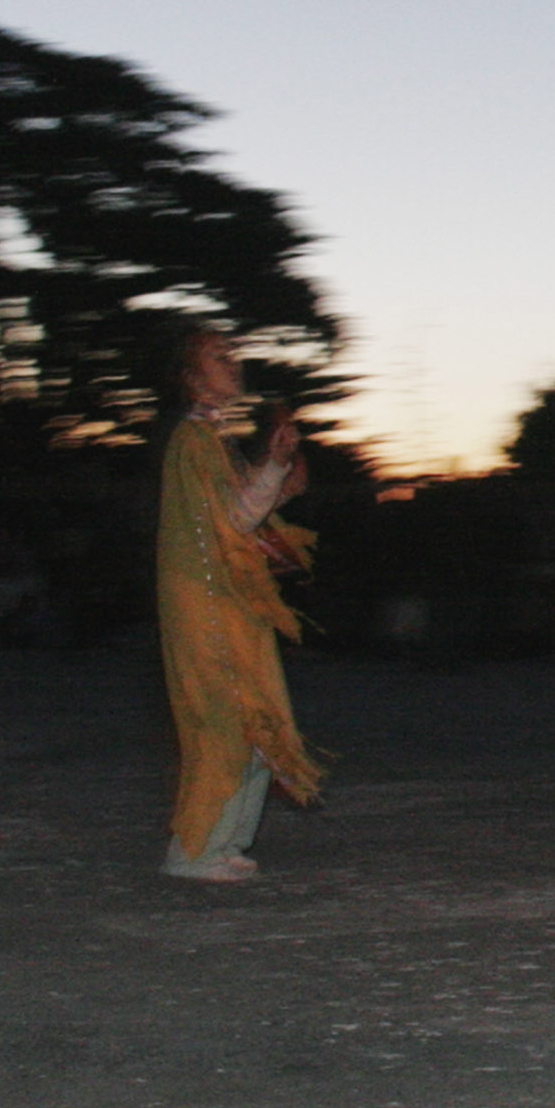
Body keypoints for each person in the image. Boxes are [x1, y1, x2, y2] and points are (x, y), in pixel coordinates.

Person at [155, 327, 323, 881]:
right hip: (206, 606)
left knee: (253, 720)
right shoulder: (194, 440)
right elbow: (235, 520)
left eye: (233, 354)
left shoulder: (213, 439)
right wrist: (272, 470)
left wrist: (279, 484)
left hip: (226, 603)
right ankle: (195, 849)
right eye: (218, 357)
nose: (233, 363)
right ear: (190, 376)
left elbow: (239, 515)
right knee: (224, 721)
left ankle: (225, 842)